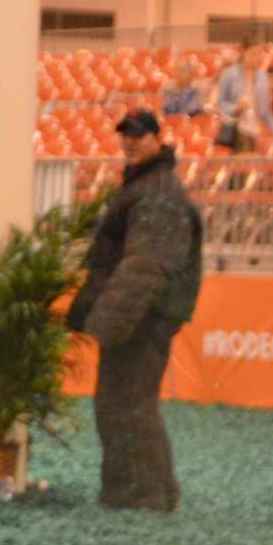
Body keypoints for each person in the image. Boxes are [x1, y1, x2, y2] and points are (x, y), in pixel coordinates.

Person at [65, 110, 202, 512]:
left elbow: (146, 264)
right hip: (140, 314)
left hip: (143, 316)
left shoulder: (157, 193)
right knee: (124, 402)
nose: (130, 141)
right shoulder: (146, 186)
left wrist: (108, 321)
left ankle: (146, 496)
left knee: (129, 404)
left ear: (158, 139)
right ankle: (137, 492)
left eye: (139, 135)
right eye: (125, 134)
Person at [213, 45, 273, 148]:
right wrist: (235, 108)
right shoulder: (229, 74)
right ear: (244, 53)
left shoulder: (263, 77)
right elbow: (220, 103)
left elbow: (266, 109)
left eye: (260, 54)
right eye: (254, 53)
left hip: (255, 129)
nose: (258, 57)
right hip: (235, 128)